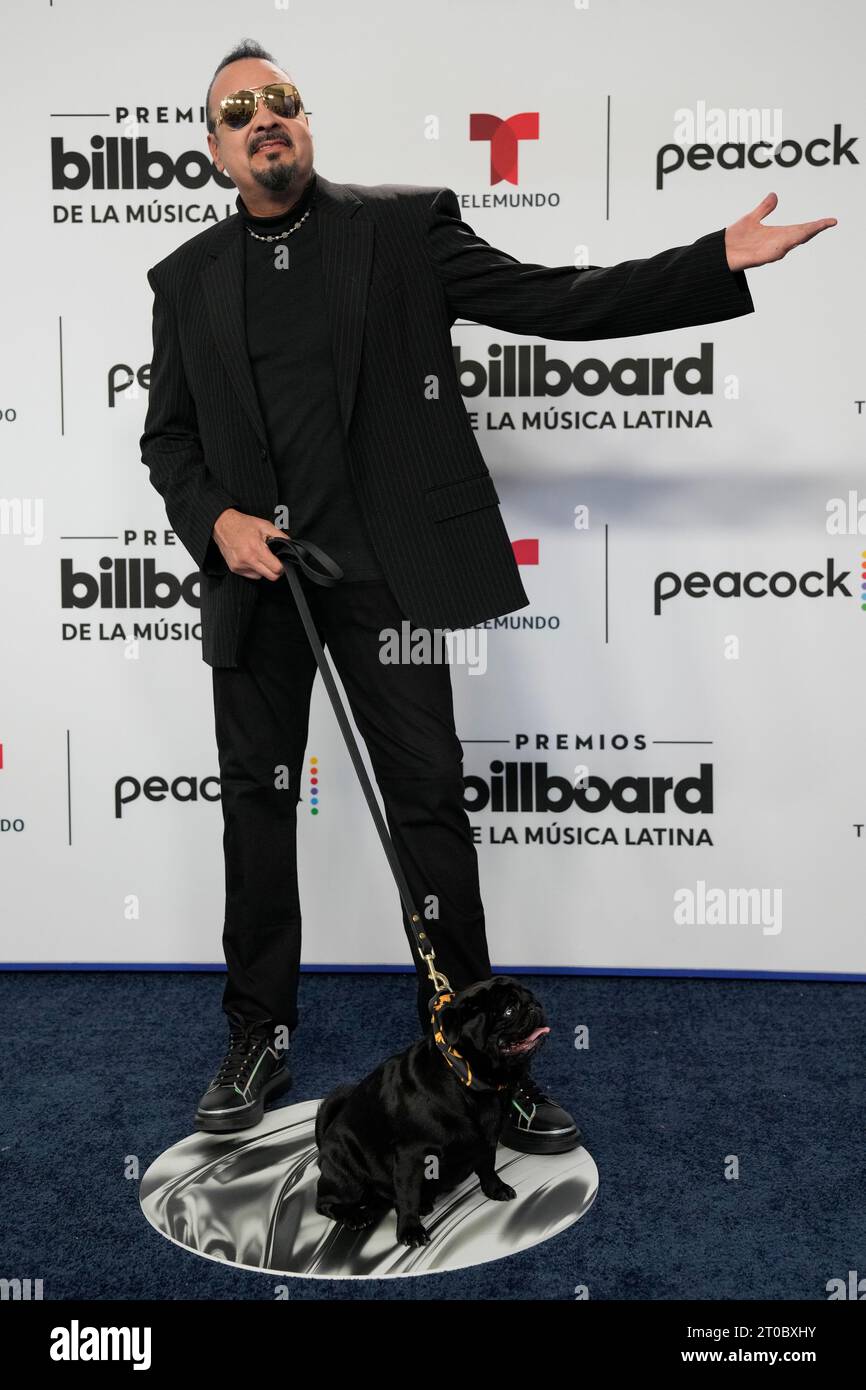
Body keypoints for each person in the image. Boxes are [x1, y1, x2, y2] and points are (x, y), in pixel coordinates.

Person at [139, 38, 836, 1151]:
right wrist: (215, 521)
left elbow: (561, 302)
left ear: (304, 123)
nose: (263, 120)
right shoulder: (183, 283)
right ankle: (258, 1029)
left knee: (427, 813)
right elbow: (168, 439)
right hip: (255, 589)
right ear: (215, 148)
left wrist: (716, 259)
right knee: (256, 814)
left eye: (280, 101)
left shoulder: (401, 234)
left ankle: (477, 1053)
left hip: (385, 584)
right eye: (238, 111)